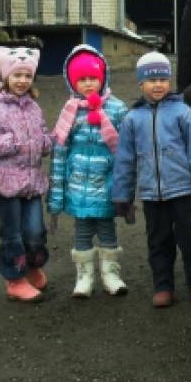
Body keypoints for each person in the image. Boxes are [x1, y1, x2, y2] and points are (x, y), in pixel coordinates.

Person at [113, 52, 191, 308]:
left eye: (163, 79)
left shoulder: (183, 113)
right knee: (158, 241)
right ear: (140, 84)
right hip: (152, 194)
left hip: (184, 191)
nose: (158, 85)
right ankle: (163, 286)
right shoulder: (132, 119)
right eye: (152, 80)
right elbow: (124, 159)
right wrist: (122, 195)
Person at [48, 45, 129, 299]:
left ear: (103, 78)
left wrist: (125, 188)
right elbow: (59, 153)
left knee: (107, 229)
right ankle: (84, 276)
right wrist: (56, 195)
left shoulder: (116, 109)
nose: (88, 84)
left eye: (92, 78)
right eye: (81, 79)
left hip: (106, 184)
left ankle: (110, 273)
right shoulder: (70, 111)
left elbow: (127, 151)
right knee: (82, 231)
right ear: (72, 82)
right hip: (78, 186)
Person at [0, 46, 52, 303]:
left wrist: (47, 142)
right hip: (5, 183)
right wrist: (14, 141)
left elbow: (42, 134)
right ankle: (15, 279)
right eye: (17, 75)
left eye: (27, 76)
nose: (22, 81)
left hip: (30, 181)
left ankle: (31, 267)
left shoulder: (33, 107)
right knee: (13, 233)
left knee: (35, 231)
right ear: (7, 76)